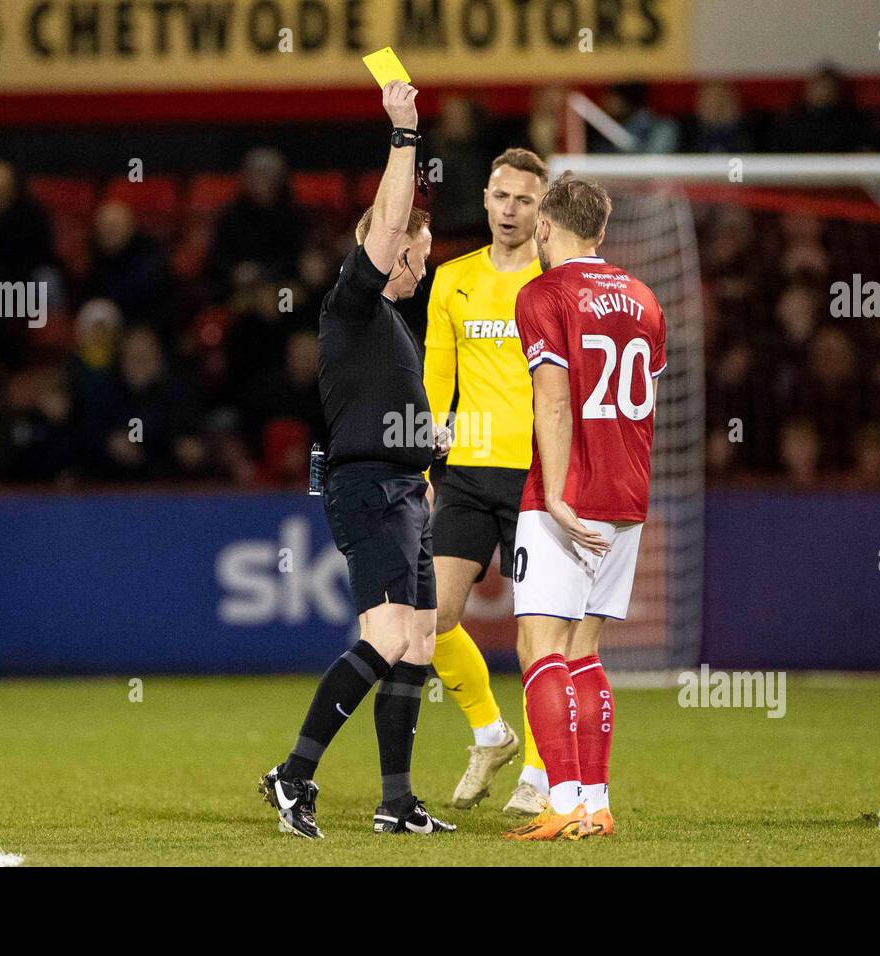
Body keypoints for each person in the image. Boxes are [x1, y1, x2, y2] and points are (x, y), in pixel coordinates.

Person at [259, 81, 455, 839]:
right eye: (419, 253)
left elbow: (388, 409)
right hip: (368, 489)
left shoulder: (389, 330)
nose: (423, 267)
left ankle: (396, 801)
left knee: (420, 641)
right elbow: (391, 217)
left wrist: (426, 442)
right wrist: (405, 134)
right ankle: (293, 774)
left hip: (406, 489)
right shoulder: (353, 301)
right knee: (385, 638)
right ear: (391, 241)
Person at [506, 175, 666, 841]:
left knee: (538, 646)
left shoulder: (541, 293)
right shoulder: (644, 298)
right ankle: (596, 802)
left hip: (565, 495)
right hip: (627, 492)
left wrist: (562, 494)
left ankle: (564, 799)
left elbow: (553, 399)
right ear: (601, 231)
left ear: (546, 227)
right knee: (586, 652)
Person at [423, 148, 553, 815]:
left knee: (536, 633)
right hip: (469, 475)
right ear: (484, 199)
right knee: (431, 616)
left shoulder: (556, 283)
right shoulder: (453, 279)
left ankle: (538, 772)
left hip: (538, 477)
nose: (510, 210)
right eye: (501, 197)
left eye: (524, 200)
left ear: (542, 207)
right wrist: (420, 467)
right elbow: (434, 382)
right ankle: (489, 732)